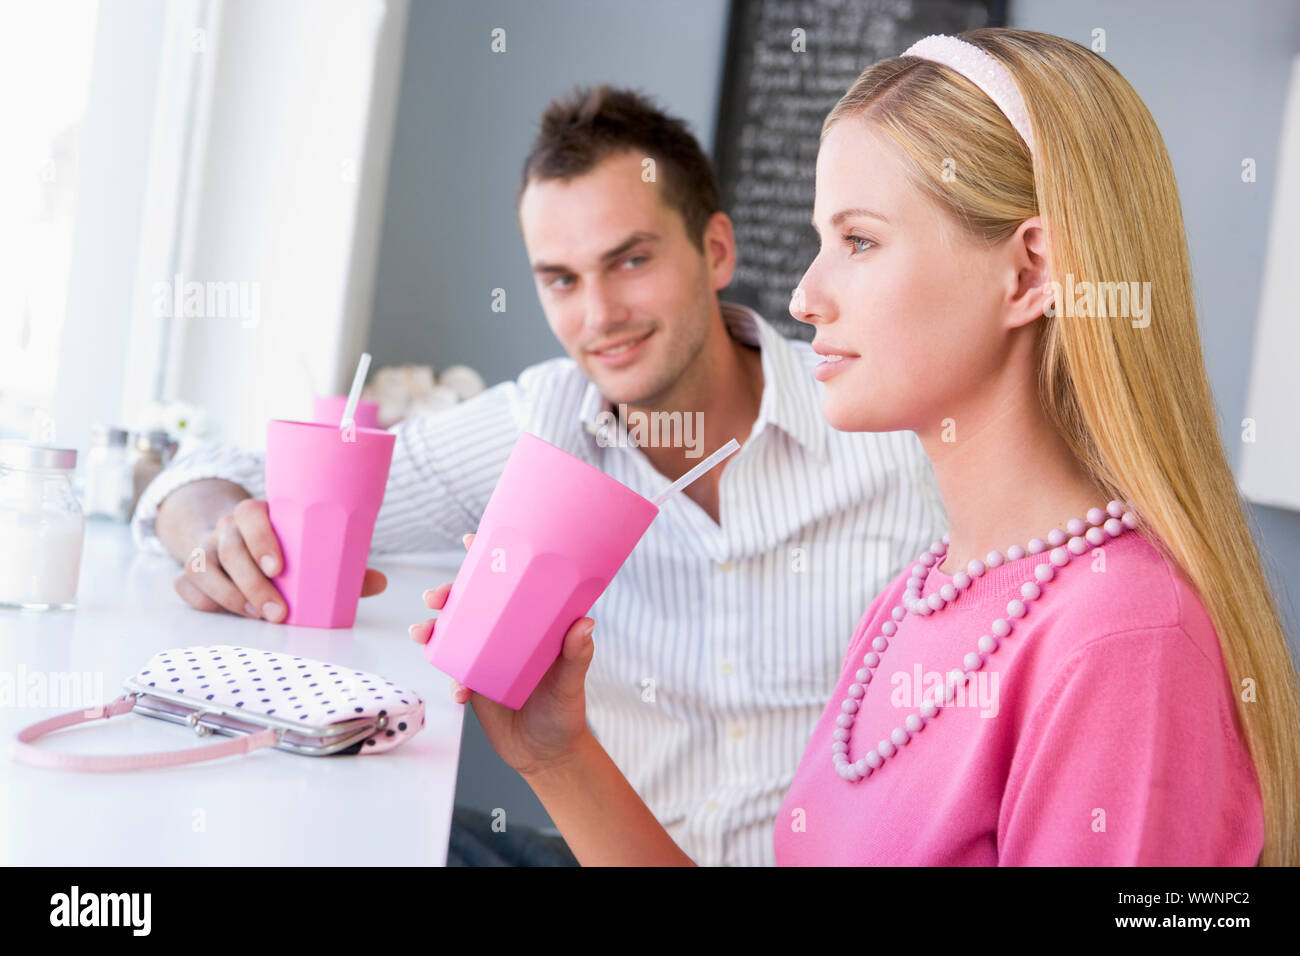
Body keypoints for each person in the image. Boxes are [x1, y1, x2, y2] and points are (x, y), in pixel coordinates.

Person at [412, 28, 1300, 866]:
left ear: (1030, 272)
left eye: (860, 241)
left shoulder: (1125, 638)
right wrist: (555, 754)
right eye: (819, 242)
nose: (803, 297)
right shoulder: (910, 603)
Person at [131, 86, 948, 866]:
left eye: (630, 261)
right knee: (340, 832)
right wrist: (217, 531)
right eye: (561, 279)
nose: (598, 316)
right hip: (596, 856)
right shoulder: (541, 422)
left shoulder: (887, 424)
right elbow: (219, 475)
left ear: (716, 250)